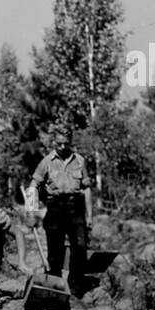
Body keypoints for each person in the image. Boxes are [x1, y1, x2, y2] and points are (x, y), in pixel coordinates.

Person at [29, 124, 94, 296]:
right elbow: (33, 185)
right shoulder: (46, 162)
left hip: (76, 208)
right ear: (54, 143)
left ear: (71, 141)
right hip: (55, 209)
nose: (63, 147)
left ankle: (75, 286)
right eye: (59, 143)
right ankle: (55, 287)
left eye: (66, 143)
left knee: (80, 248)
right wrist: (30, 213)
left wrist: (89, 216)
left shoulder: (80, 161)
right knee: (55, 252)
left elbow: (87, 188)